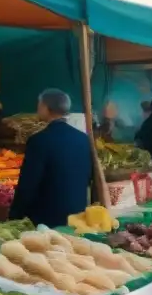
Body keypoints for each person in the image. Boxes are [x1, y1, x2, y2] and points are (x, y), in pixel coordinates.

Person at [11, 89, 92, 228]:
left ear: (45, 107)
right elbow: (88, 175)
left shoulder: (39, 140)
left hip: (47, 217)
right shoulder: (83, 139)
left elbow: (28, 183)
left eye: (39, 104)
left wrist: (15, 215)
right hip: (78, 212)